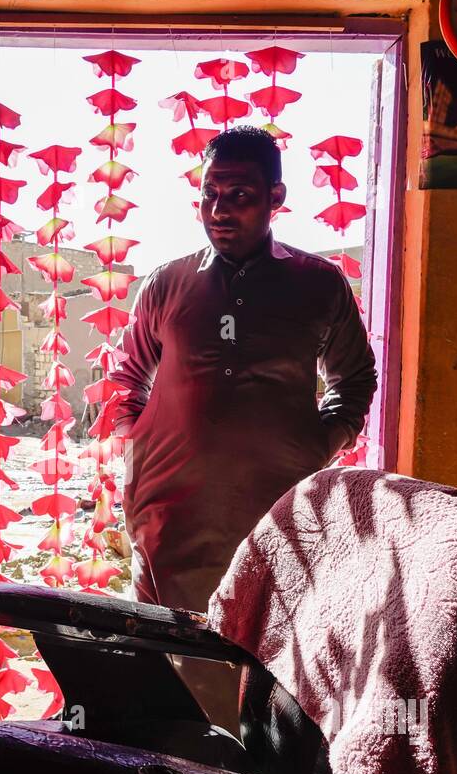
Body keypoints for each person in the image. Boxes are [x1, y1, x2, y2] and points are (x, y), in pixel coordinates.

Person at [110, 126, 377, 730]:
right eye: (210, 194)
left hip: (277, 516)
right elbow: (128, 376)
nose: (220, 209)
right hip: (175, 516)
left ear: (276, 197)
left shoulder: (318, 284)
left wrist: (316, 445)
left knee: (273, 659)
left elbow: (355, 378)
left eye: (240, 194)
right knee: (179, 662)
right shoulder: (167, 284)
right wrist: (140, 445)